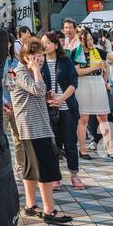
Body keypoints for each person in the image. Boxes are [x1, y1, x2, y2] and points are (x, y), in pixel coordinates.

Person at [9, 37, 71, 225]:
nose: (40, 60)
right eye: (36, 57)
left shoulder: (23, 71)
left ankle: (30, 205)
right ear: (27, 57)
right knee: (45, 170)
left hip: (32, 127)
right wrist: (36, 71)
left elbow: (35, 94)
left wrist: (46, 96)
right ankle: (49, 210)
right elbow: (37, 89)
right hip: (34, 129)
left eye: (41, 57)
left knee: (30, 168)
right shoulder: (22, 72)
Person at [41, 31, 81, 189]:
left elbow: (73, 84)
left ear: (56, 45)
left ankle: (74, 175)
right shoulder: (40, 62)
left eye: (48, 42)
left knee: (70, 143)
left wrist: (60, 99)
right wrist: (48, 98)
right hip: (48, 109)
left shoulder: (66, 61)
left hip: (66, 108)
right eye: (43, 42)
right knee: (53, 144)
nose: (45, 45)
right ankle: (55, 177)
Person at [75, 26, 113, 158]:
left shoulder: (97, 51)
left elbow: (110, 58)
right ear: (81, 41)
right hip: (83, 84)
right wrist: (94, 67)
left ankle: (110, 149)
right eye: (87, 40)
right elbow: (77, 72)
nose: (90, 42)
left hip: (97, 83)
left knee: (103, 117)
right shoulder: (76, 52)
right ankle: (83, 150)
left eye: (91, 39)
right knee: (83, 118)